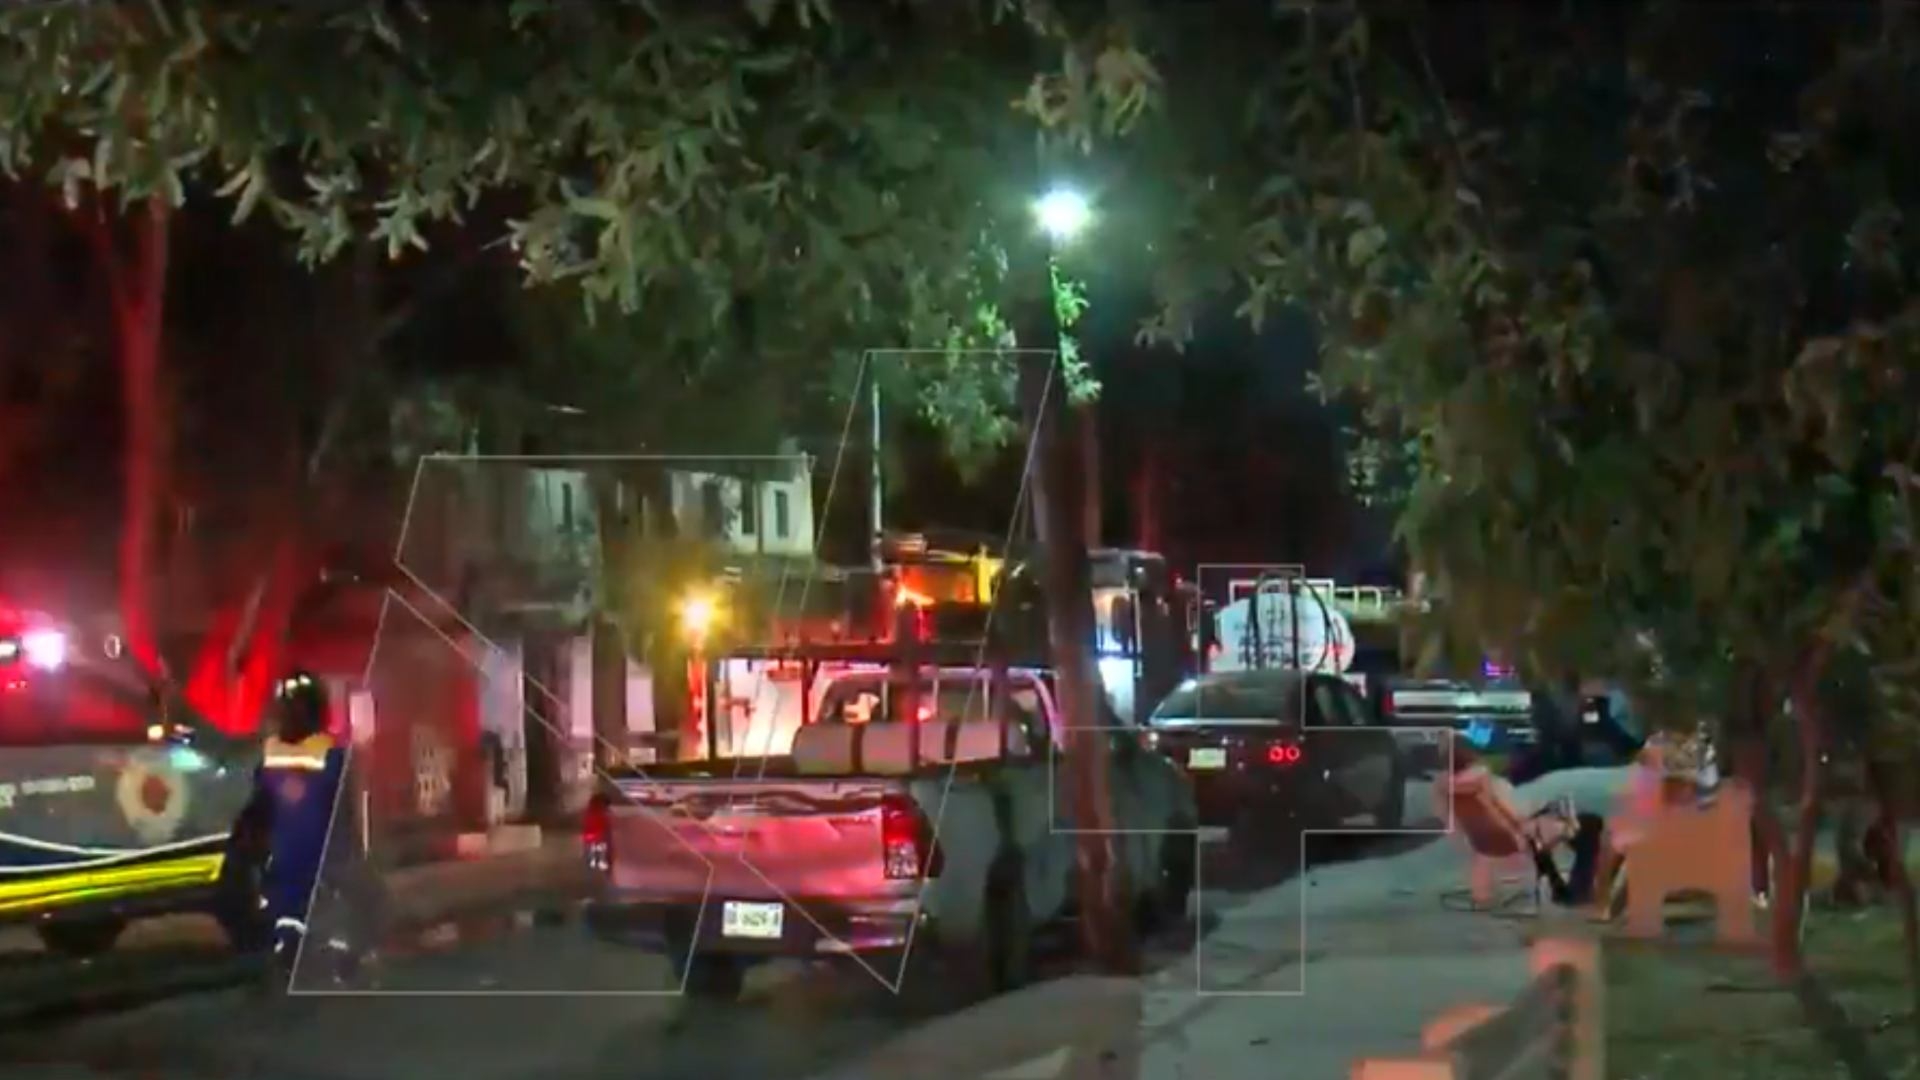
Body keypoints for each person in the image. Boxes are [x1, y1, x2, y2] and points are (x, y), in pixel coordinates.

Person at [255, 671, 377, 985]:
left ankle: (287, 948)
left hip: (281, 861)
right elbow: (344, 815)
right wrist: (356, 856)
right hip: (324, 860)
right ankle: (345, 960)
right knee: (364, 901)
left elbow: (259, 810)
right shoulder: (332, 755)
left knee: (287, 912)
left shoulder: (268, 755)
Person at [1436, 738, 1608, 905]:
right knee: (1587, 827)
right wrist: (1525, 820)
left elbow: (1447, 816)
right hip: (1511, 837)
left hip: (1480, 840)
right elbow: (1505, 810)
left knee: (1562, 832)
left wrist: (1462, 837)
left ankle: (1559, 885)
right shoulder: (1482, 777)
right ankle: (1575, 889)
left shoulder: (1443, 784)